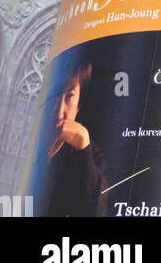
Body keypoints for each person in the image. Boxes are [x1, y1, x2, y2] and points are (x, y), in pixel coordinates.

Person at [35, 59, 108, 217]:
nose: (60, 111)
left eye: (69, 96)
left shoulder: (91, 154)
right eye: (54, 95)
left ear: (78, 107)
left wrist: (82, 140)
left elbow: (95, 212)